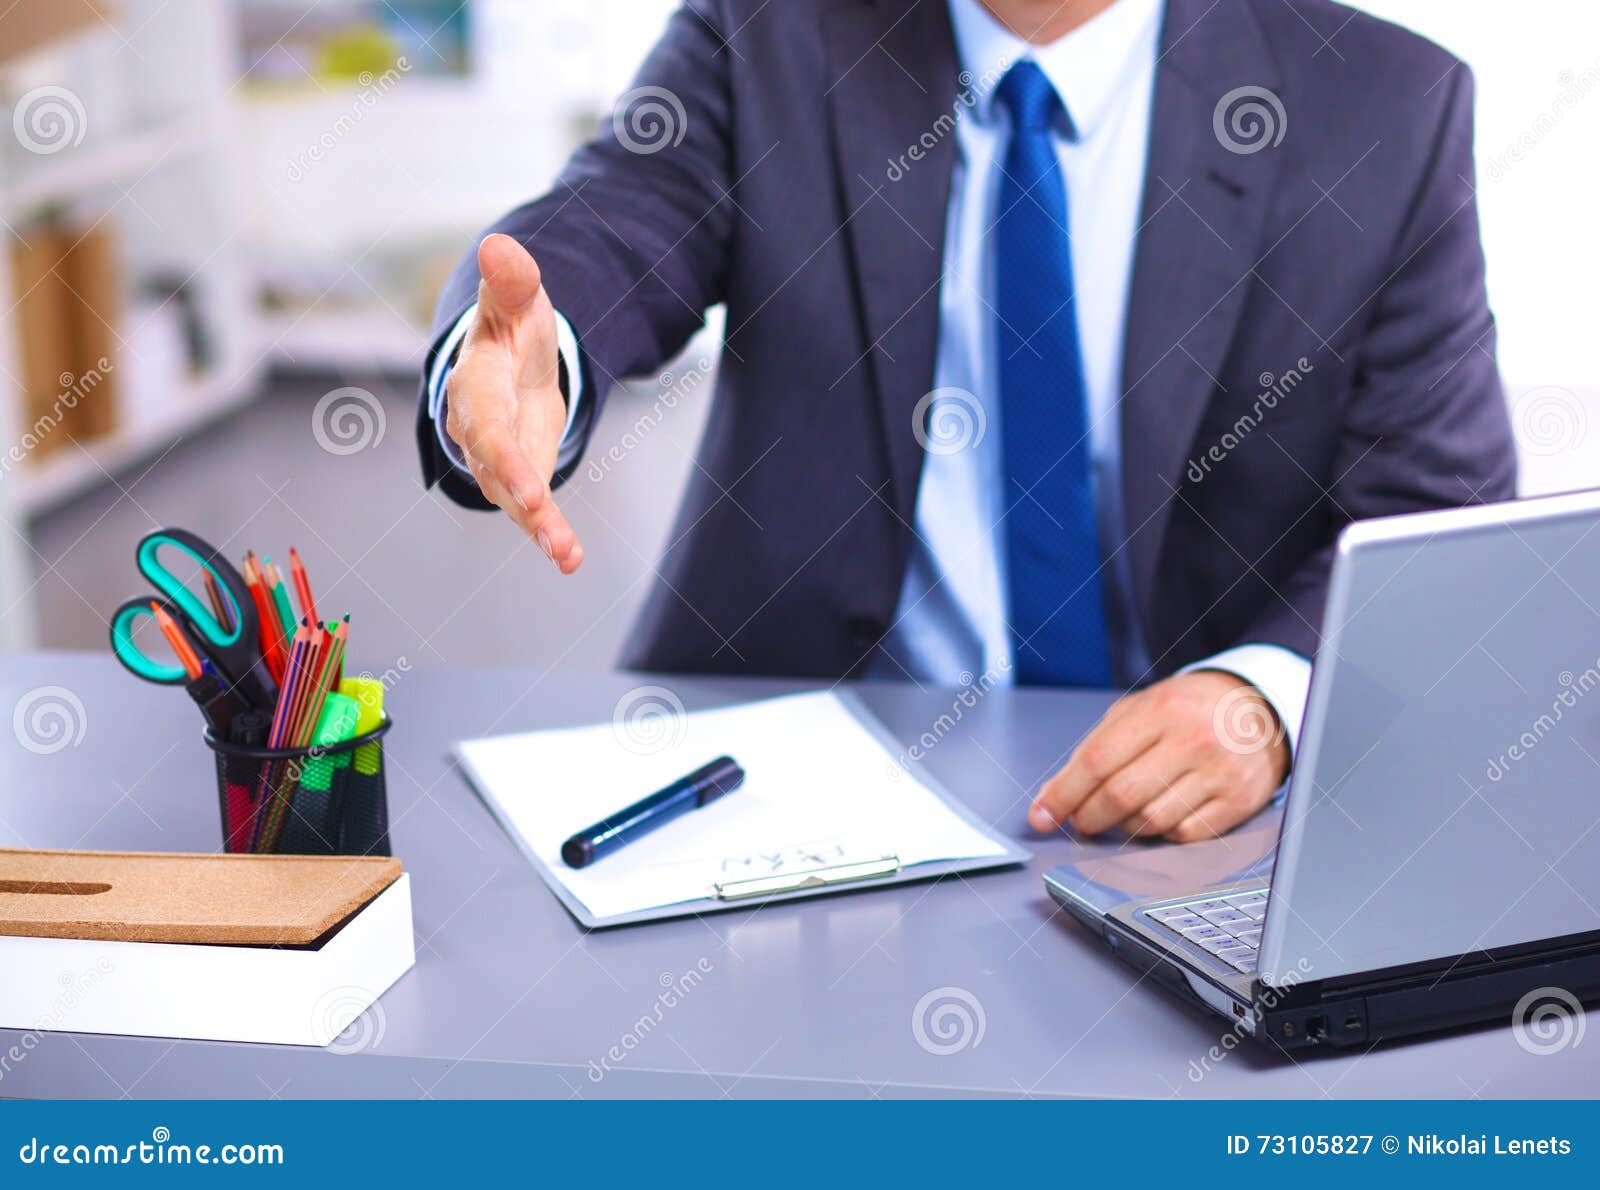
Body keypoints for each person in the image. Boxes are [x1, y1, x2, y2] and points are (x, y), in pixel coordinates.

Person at [416, 0, 1515, 842]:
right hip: (793, 786)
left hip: (1189, 821)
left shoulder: (1383, 106)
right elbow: (612, 220)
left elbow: (1438, 521)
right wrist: (523, 353)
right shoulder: (767, 32)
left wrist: (1265, 696)